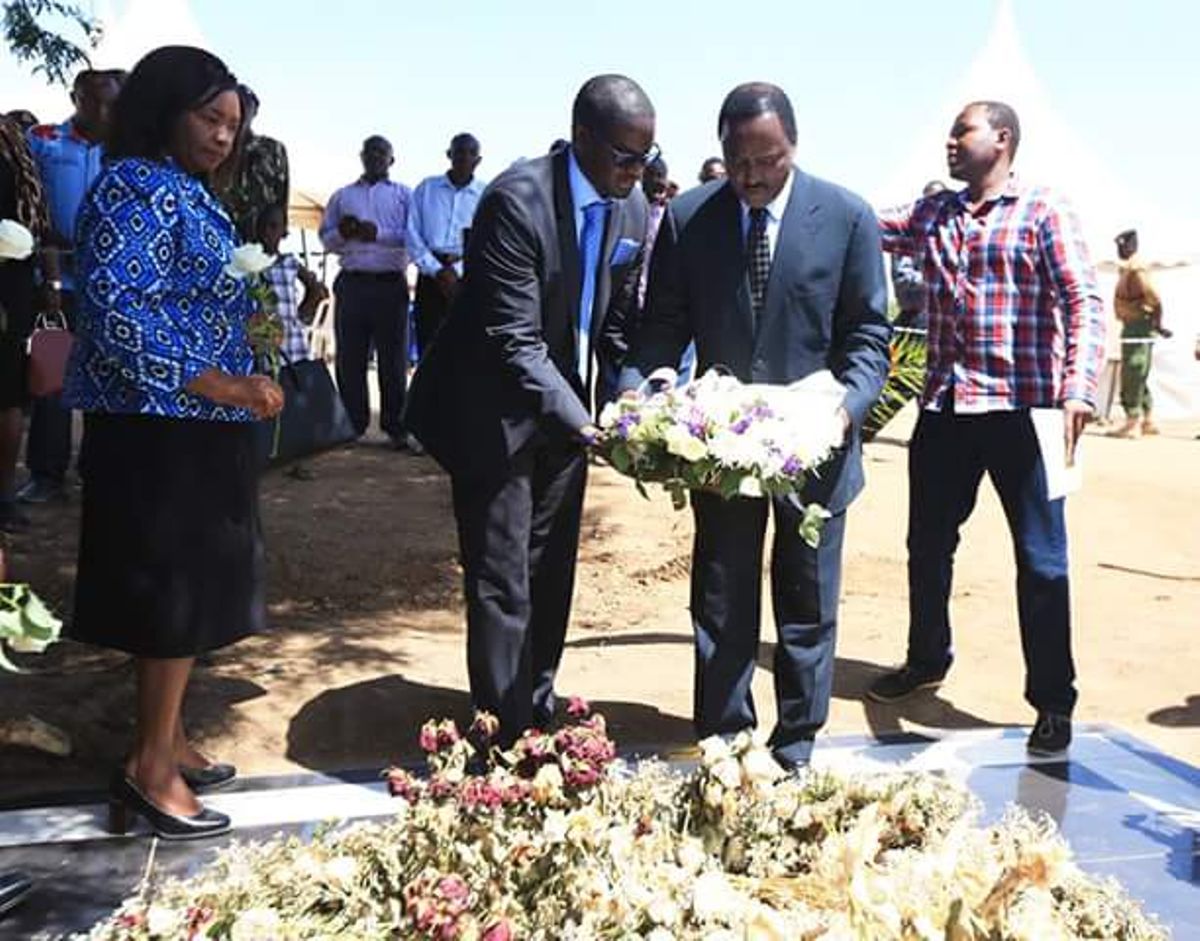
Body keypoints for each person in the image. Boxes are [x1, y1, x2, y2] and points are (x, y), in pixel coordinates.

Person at [621, 83, 891, 770]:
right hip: (723, 451)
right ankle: (726, 741)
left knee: (806, 603)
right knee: (721, 596)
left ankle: (795, 745)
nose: (751, 177)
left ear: (791, 146)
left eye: (765, 160)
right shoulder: (688, 219)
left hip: (814, 452)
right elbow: (662, 327)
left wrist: (842, 409)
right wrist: (648, 384)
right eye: (737, 162)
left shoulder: (849, 218)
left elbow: (866, 338)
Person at [63, 46, 284, 840]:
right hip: (159, 430)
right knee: (170, 600)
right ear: (163, 109)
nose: (225, 136)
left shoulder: (179, 189)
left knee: (190, 596)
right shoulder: (133, 188)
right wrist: (221, 383)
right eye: (209, 118)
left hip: (192, 428)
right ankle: (148, 770)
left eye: (233, 124)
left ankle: (170, 737)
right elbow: (118, 313)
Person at [405, 75, 653, 742]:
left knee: (550, 573)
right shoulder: (516, 200)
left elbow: (615, 328)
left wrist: (631, 395)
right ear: (581, 139)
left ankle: (533, 701)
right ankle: (500, 731)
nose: (636, 172)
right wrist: (585, 422)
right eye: (625, 156)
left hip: (565, 416)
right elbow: (514, 340)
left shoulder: (630, 213)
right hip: (493, 411)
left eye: (646, 159)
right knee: (501, 578)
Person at [868, 101, 1106, 756]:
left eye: (962, 130)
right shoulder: (933, 213)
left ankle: (1053, 701)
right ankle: (926, 658)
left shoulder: (1043, 211)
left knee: (1043, 561)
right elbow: (861, 223)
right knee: (927, 544)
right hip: (944, 410)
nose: (948, 140)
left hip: (1024, 414)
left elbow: (1083, 296)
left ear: (1002, 140)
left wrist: (1079, 385)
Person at [19, 68, 122, 505]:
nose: (102, 110)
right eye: (92, 101)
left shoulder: (123, 151)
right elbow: (26, 198)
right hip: (53, 282)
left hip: (107, 286)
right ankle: (46, 476)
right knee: (52, 379)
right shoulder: (43, 141)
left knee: (106, 380)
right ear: (75, 97)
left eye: (110, 103)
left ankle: (102, 474)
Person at [319, 136, 413, 448]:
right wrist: (341, 234)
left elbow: (414, 238)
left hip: (390, 284)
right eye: (370, 152)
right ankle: (351, 425)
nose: (375, 157)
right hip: (353, 283)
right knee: (350, 358)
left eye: (381, 153)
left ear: (392, 159)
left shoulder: (404, 196)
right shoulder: (342, 196)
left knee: (394, 360)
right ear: (361, 156)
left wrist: (379, 234)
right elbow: (326, 239)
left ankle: (396, 427)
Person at [0, 117, 50, 532]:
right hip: (17, 279)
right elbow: (39, 221)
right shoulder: (16, 143)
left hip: (9, 280)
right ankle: (4, 498)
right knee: (9, 394)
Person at [257, 203, 328, 478]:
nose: (269, 232)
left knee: (295, 399)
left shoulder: (289, 263)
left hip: (292, 339)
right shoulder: (249, 263)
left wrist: (304, 312)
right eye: (265, 226)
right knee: (265, 395)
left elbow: (317, 288)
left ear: (284, 232)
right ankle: (268, 453)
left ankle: (299, 457)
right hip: (263, 340)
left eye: (275, 227)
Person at [407, 133, 484, 362]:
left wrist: (456, 271)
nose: (463, 157)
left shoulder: (486, 195)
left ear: (478, 160)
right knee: (428, 351)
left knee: (464, 351)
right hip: (430, 280)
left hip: (466, 280)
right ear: (449, 155)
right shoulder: (426, 189)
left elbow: (486, 240)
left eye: (470, 153)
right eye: (458, 151)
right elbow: (411, 234)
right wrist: (437, 270)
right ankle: (427, 399)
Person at [1108, 228, 1166, 439]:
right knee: (1138, 372)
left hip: (1139, 325)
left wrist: (1158, 323)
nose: (1119, 250)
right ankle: (1148, 418)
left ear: (1130, 246)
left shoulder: (1136, 268)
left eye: (1122, 246)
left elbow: (1154, 298)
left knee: (1133, 371)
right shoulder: (1127, 268)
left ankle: (1133, 421)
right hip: (1132, 325)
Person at [223, 86, 290, 244]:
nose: (243, 113)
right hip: (222, 237)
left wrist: (276, 231)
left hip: (260, 243)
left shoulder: (272, 149)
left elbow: (281, 199)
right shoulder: (217, 146)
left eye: (248, 108)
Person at [890, 180, 946, 330]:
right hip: (915, 317)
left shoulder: (951, 235)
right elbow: (903, 277)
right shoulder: (906, 235)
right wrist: (940, 278)